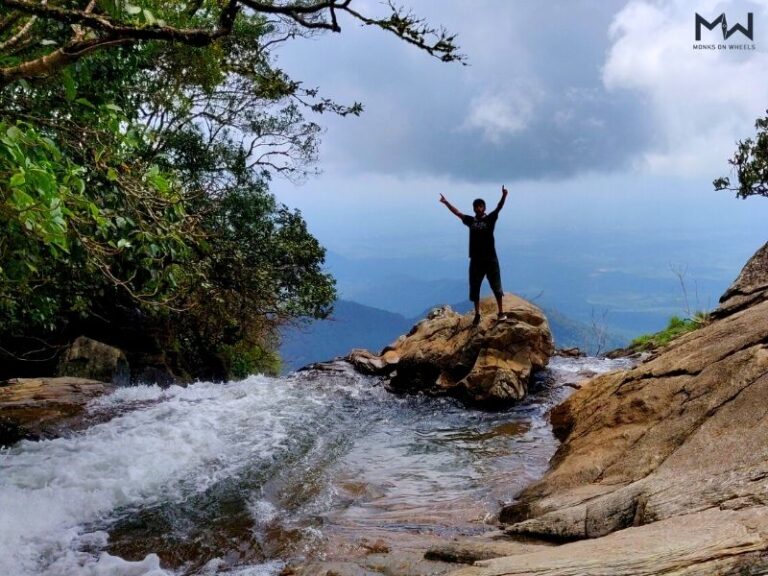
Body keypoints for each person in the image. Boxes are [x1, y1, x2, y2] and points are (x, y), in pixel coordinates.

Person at [439, 186, 509, 325]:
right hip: (476, 260)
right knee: (475, 286)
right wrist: (446, 202)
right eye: (476, 206)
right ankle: (477, 314)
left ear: (484, 207)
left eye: (480, 206)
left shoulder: (490, 219)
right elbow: (457, 213)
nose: (478, 208)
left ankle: (501, 312)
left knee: (496, 286)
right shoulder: (471, 221)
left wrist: (504, 196)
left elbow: (499, 207)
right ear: (474, 208)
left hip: (490, 259)